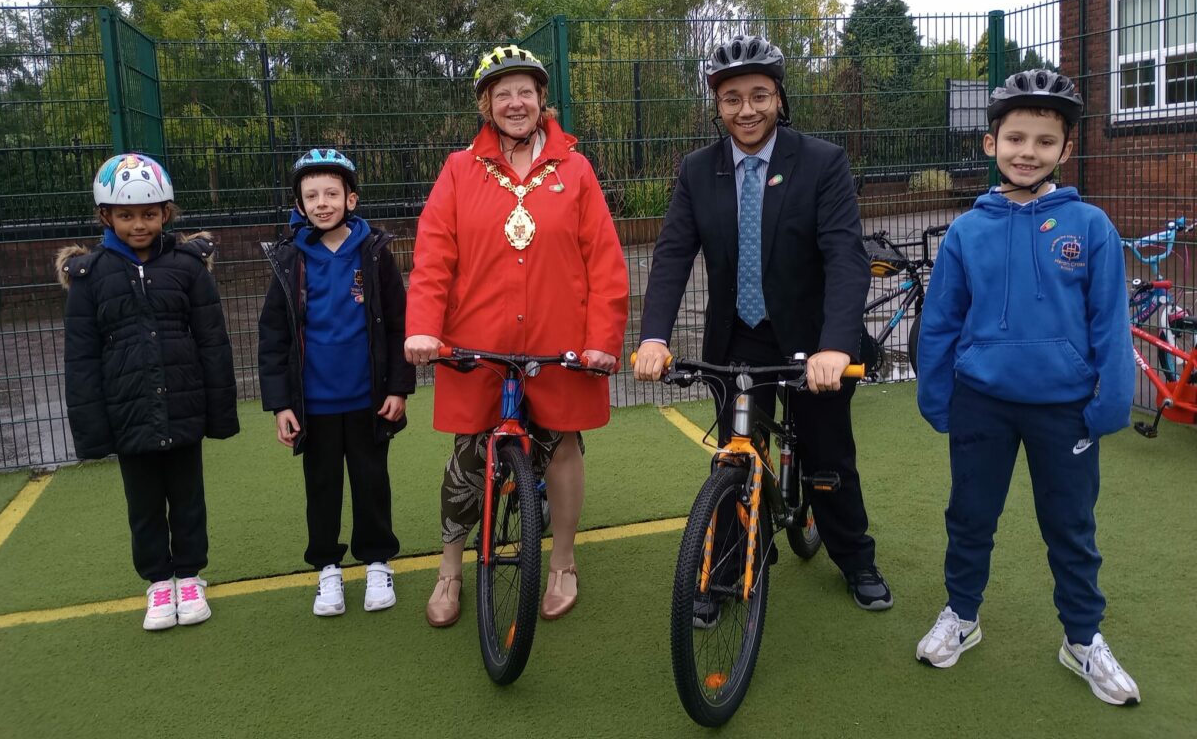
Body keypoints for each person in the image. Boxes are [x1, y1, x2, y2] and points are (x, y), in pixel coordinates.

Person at [633, 34, 892, 613]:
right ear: (717, 105)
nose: (745, 110)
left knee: (827, 457)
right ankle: (729, 566)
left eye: (758, 96)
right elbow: (672, 255)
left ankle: (856, 558)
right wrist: (653, 337)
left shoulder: (821, 161)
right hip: (740, 337)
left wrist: (834, 345)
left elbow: (845, 257)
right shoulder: (698, 170)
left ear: (779, 97)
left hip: (814, 336)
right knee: (735, 452)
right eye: (731, 99)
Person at [914, 70, 1139, 705]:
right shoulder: (967, 230)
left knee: (1070, 526)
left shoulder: (1090, 226)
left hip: (1065, 409)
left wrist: (1111, 399)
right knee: (970, 516)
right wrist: (936, 394)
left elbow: (1110, 320)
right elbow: (942, 320)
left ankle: (1083, 639)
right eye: (1015, 138)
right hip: (981, 402)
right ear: (992, 144)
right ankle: (962, 615)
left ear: (1065, 149)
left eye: (1044, 141)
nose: (1027, 152)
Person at [404, 45, 628, 627]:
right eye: (501, 93)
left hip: (559, 342)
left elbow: (604, 260)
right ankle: (449, 570)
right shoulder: (459, 169)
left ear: (540, 98)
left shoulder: (575, 169)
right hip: (476, 343)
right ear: (486, 104)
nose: (515, 102)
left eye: (525, 91)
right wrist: (423, 327)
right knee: (467, 456)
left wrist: (604, 338)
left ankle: (563, 562)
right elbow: (433, 255)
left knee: (563, 444)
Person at [59, 152, 238, 631]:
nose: (138, 224)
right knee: (143, 504)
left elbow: (212, 341)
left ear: (166, 213)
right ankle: (159, 581)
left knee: (188, 498)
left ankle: (189, 576)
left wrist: (219, 411)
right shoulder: (88, 277)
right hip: (129, 411)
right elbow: (81, 358)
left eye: (149, 214)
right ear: (106, 216)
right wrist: (93, 429)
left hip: (182, 403)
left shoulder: (188, 267)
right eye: (126, 215)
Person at [258, 149, 415, 617]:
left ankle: (377, 562)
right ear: (299, 205)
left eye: (331, 193)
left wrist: (398, 388)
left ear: (351, 199)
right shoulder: (289, 259)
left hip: (369, 399)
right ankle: (327, 568)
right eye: (311, 196)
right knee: (322, 487)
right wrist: (281, 404)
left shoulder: (376, 253)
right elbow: (273, 335)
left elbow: (398, 325)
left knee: (372, 482)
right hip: (315, 404)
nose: (322, 203)